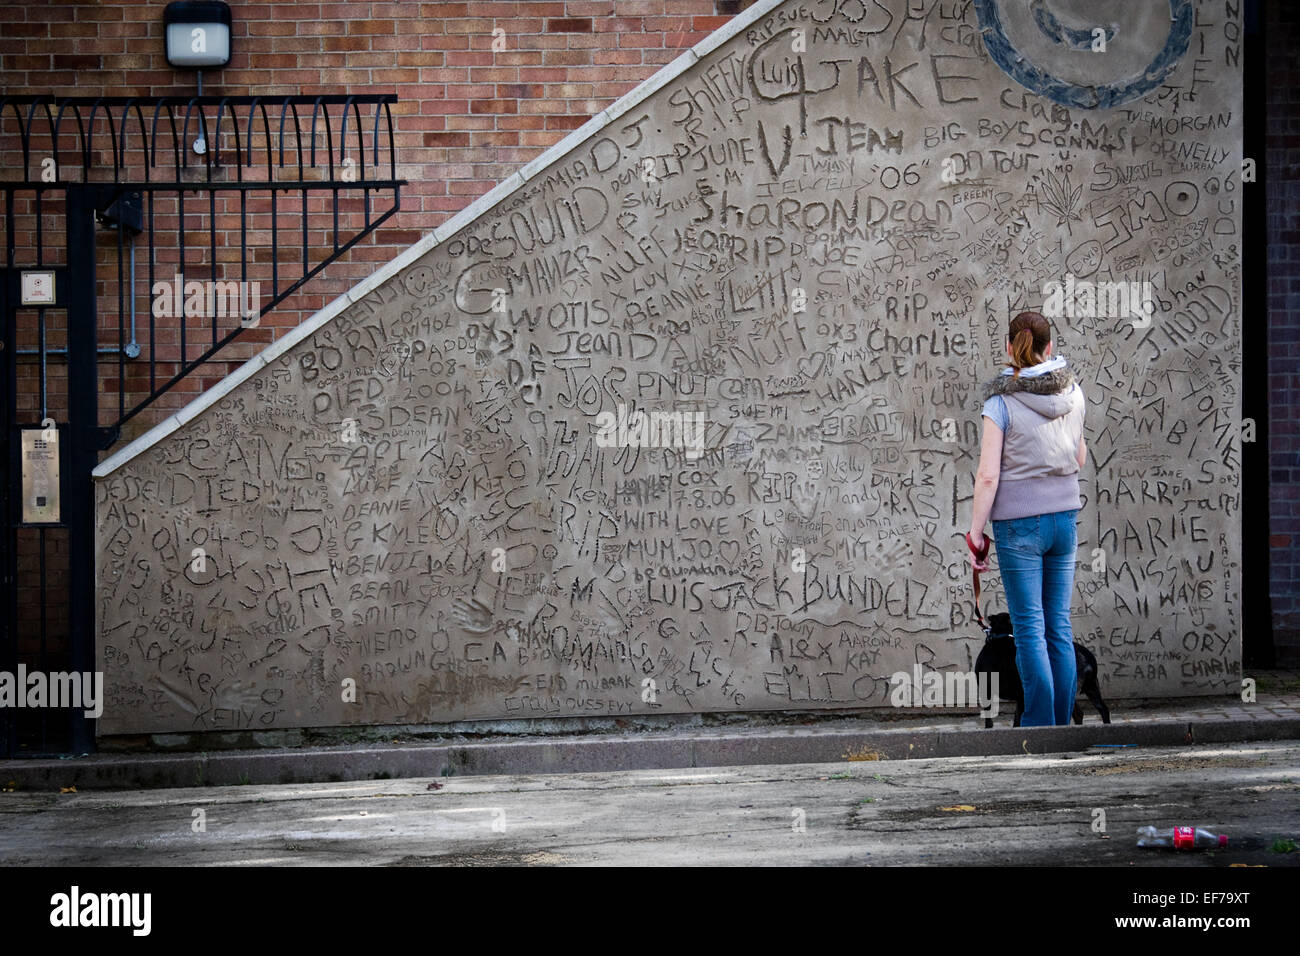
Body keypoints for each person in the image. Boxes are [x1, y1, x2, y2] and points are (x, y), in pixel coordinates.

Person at [967, 311, 1087, 727]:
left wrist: (976, 533)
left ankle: (1039, 727)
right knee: (1058, 624)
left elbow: (988, 475)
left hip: (1019, 525)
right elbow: (1079, 457)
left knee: (1030, 629)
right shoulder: (1074, 393)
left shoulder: (1000, 403)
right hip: (1064, 519)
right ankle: (1061, 725)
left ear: (1008, 348)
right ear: (1049, 347)